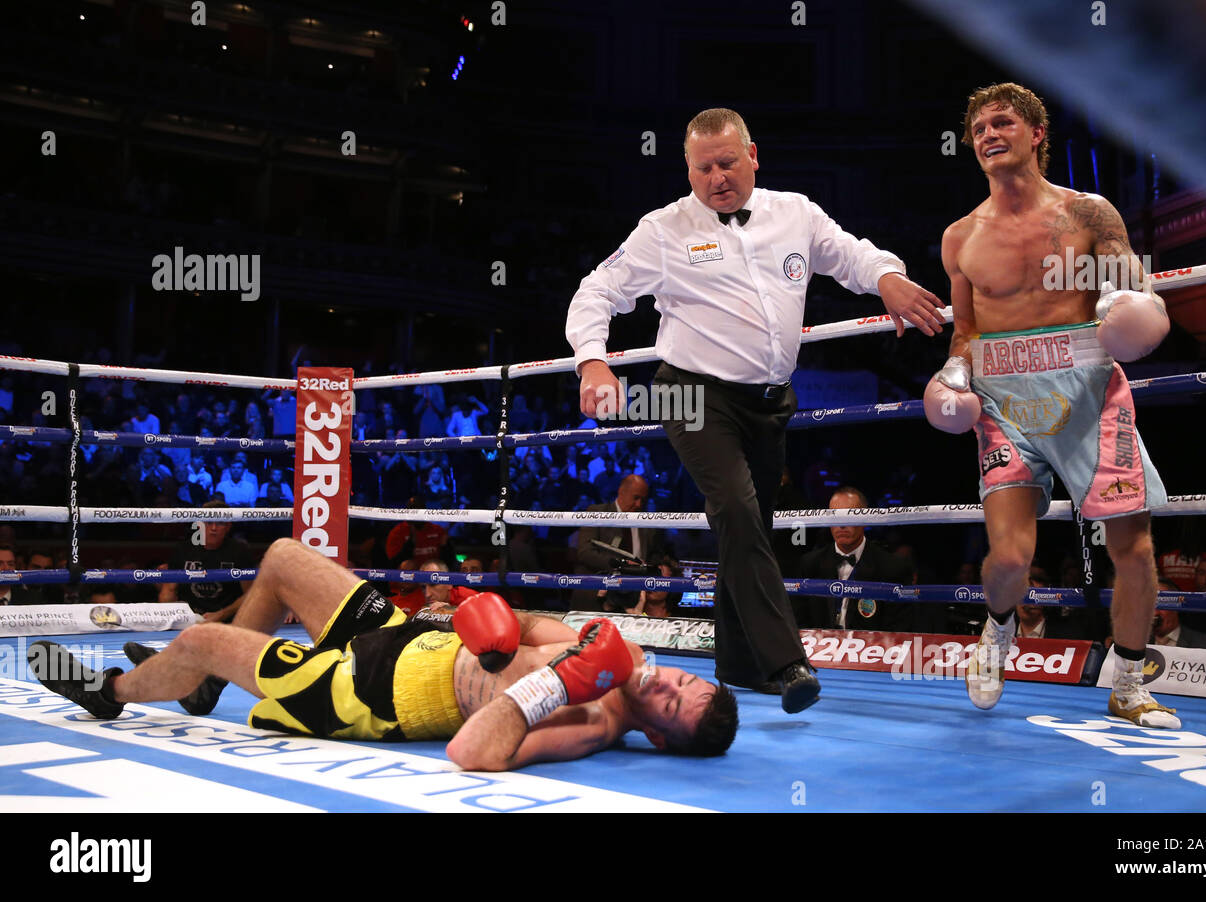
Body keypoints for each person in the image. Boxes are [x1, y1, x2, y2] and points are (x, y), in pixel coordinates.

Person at [565, 107, 945, 713]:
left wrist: (887, 276)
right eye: (702, 167)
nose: (716, 177)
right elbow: (597, 290)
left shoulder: (793, 212)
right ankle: (786, 659)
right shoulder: (662, 229)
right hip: (686, 390)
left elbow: (849, 254)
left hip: (768, 401)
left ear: (753, 156)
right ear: (687, 170)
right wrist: (592, 359)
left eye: (727, 162)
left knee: (750, 527)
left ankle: (739, 662)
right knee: (739, 514)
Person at [29, 539, 738, 770]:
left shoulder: (592, 725)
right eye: (684, 681)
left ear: (655, 736)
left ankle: (111, 693)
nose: (668, 682)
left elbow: (472, 753)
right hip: (407, 636)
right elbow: (521, 622)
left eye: (673, 703)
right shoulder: (618, 646)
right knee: (281, 558)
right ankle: (203, 689)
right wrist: (488, 619)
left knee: (199, 640)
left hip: (365, 690)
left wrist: (558, 683)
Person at [930, 82, 1180, 728]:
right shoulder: (959, 237)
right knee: (1010, 556)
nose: (988, 134)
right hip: (1003, 397)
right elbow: (966, 330)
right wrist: (955, 372)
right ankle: (997, 631)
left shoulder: (1090, 214)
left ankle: (1127, 684)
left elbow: (1126, 284)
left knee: (1136, 547)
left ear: (1037, 134)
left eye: (1002, 122)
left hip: (1087, 388)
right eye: (978, 127)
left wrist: (1125, 309)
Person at [794, 486, 934, 632]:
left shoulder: (892, 568)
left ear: (866, 519)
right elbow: (799, 622)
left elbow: (898, 630)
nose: (841, 525)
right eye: (835, 517)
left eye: (849, 517)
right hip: (820, 651)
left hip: (873, 651)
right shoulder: (810, 563)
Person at [571, 474, 666, 612]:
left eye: (643, 500)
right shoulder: (597, 512)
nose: (639, 504)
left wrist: (653, 566)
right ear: (621, 492)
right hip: (598, 593)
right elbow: (585, 553)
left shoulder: (646, 521)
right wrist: (622, 565)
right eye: (636, 498)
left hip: (634, 598)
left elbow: (654, 556)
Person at [160, 501, 255, 622]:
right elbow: (168, 591)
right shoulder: (183, 549)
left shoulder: (239, 551)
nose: (213, 528)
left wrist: (222, 614)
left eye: (220, 523)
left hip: (227, 620)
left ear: (228, 526)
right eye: (209, 522)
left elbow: (250, 594)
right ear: (200, 524)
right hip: (189, 619)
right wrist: (171, 618)